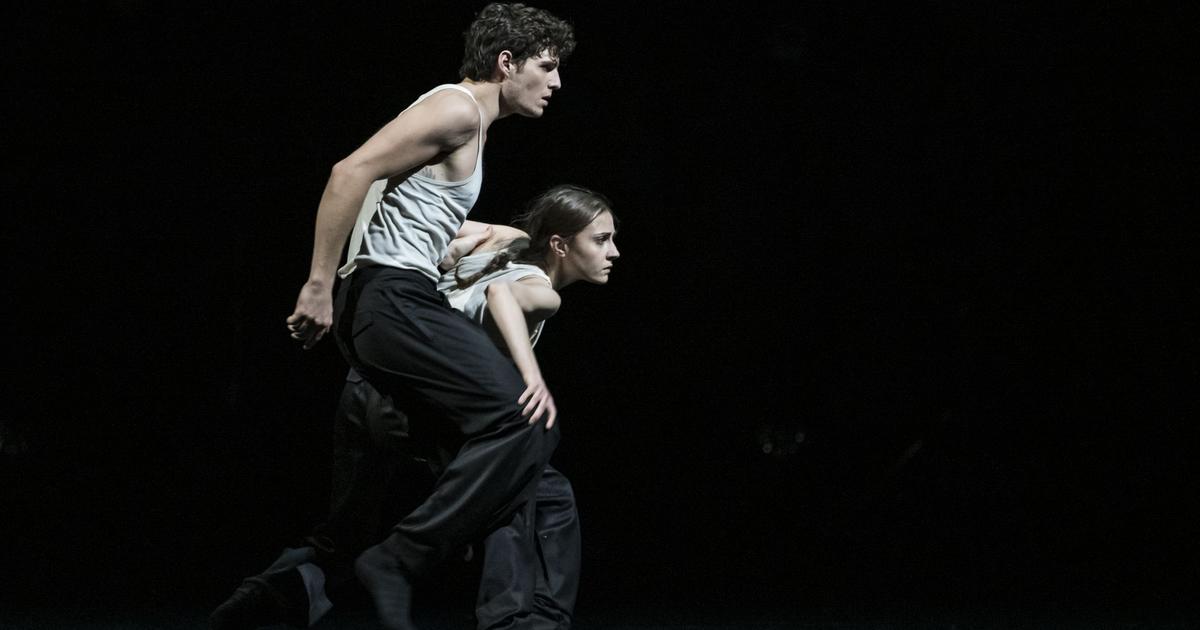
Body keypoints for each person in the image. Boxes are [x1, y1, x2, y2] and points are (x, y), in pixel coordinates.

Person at [254, 4, 575, 629]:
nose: (556, 83)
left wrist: (491, 234)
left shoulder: (468, 125)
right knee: (525, 422)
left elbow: (406, 205)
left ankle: (298, 588)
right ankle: (398, 561)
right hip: (392, 298)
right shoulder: (458, 108)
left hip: (394, 297)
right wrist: (321, 282)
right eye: (547, 66)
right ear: (506, 63)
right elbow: (351, 172)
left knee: (524, 462)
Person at [210, 185, 620, 629]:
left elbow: (445, 232)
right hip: (416, 403)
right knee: (526, 483)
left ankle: (275, 592)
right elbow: (504, 297)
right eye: (601, 239)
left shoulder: (502, 250)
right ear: (560, 244)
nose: (613, 251)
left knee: (348, 532)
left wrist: (476, 239)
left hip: (367, 388)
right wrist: (531, 375)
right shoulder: (540, 290)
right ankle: (518, 621)